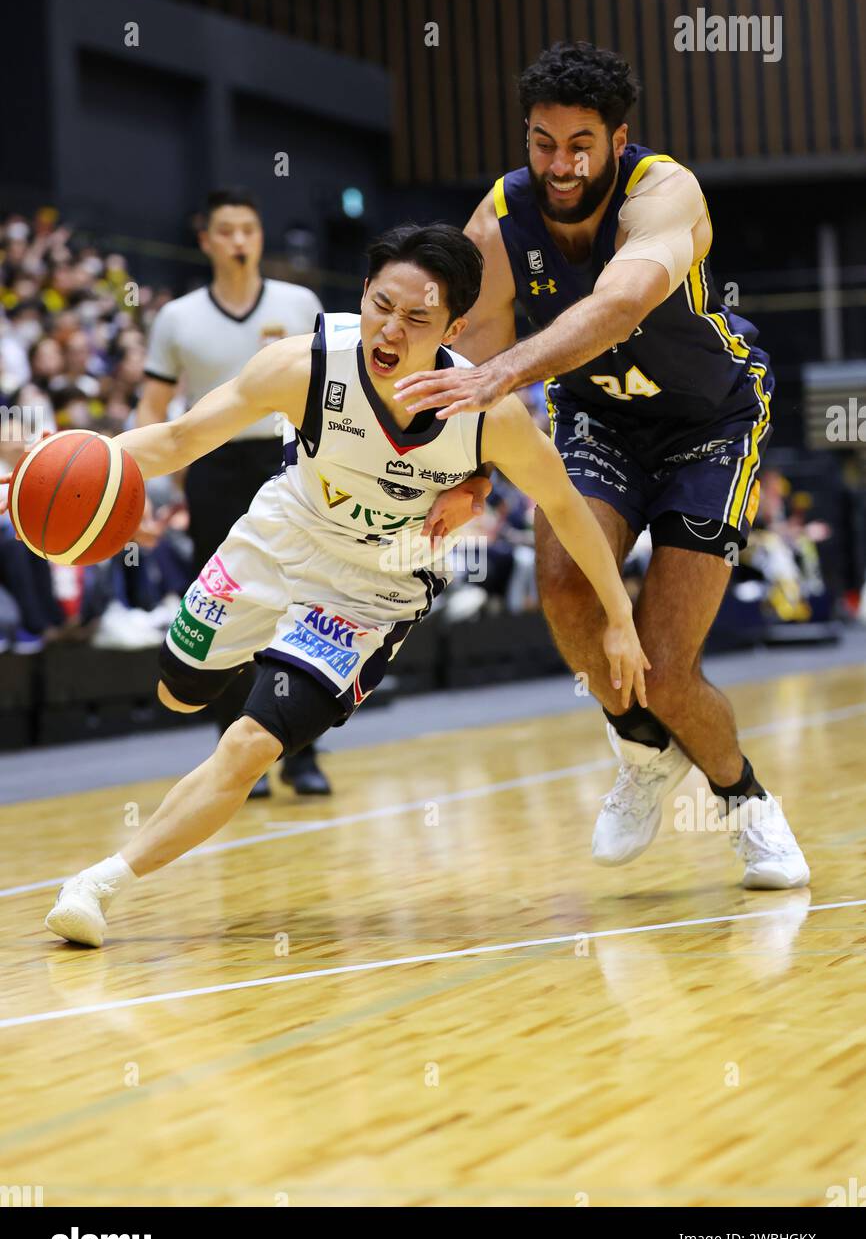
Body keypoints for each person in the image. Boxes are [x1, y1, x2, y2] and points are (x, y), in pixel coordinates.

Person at [42, 223, 648, 947]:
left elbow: (566, 510)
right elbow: (177, 441)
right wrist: (72, 464)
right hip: (281, 538)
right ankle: (268, 645)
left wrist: (619, 616)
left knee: (246, 747)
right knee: (177, 690)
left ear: (455, 327)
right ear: (362, 293)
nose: (390, 329)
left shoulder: (488, 413)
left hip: (372, 589)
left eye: (417, 318)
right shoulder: (302, 365)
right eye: (380, 304)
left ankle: (98, 885)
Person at [397, 43, 809, 890]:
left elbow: (619, 305)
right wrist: (469, 476)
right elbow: (472, 360)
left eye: (580, 142)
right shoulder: (500, 221)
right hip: (601, 421)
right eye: (542, 141)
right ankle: (639, 747)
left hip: (711, 421)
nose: (559, 163)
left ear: (618, 139)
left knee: (663, 657)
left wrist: (508, 371)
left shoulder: (666, 192)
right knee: (561, 582)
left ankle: (744, 800)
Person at [137, 187, 329, 797]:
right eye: (227, 230)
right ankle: (238, 764)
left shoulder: (300, 303)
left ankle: (303, 755)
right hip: (212, 466)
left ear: (260, 234)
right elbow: (152, 405)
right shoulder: (176, 316)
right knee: (221, 606)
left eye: (249, 228)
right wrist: (138, 487)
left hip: (290, 460)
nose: (240, 240)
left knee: (302, 605)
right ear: (206, 241)